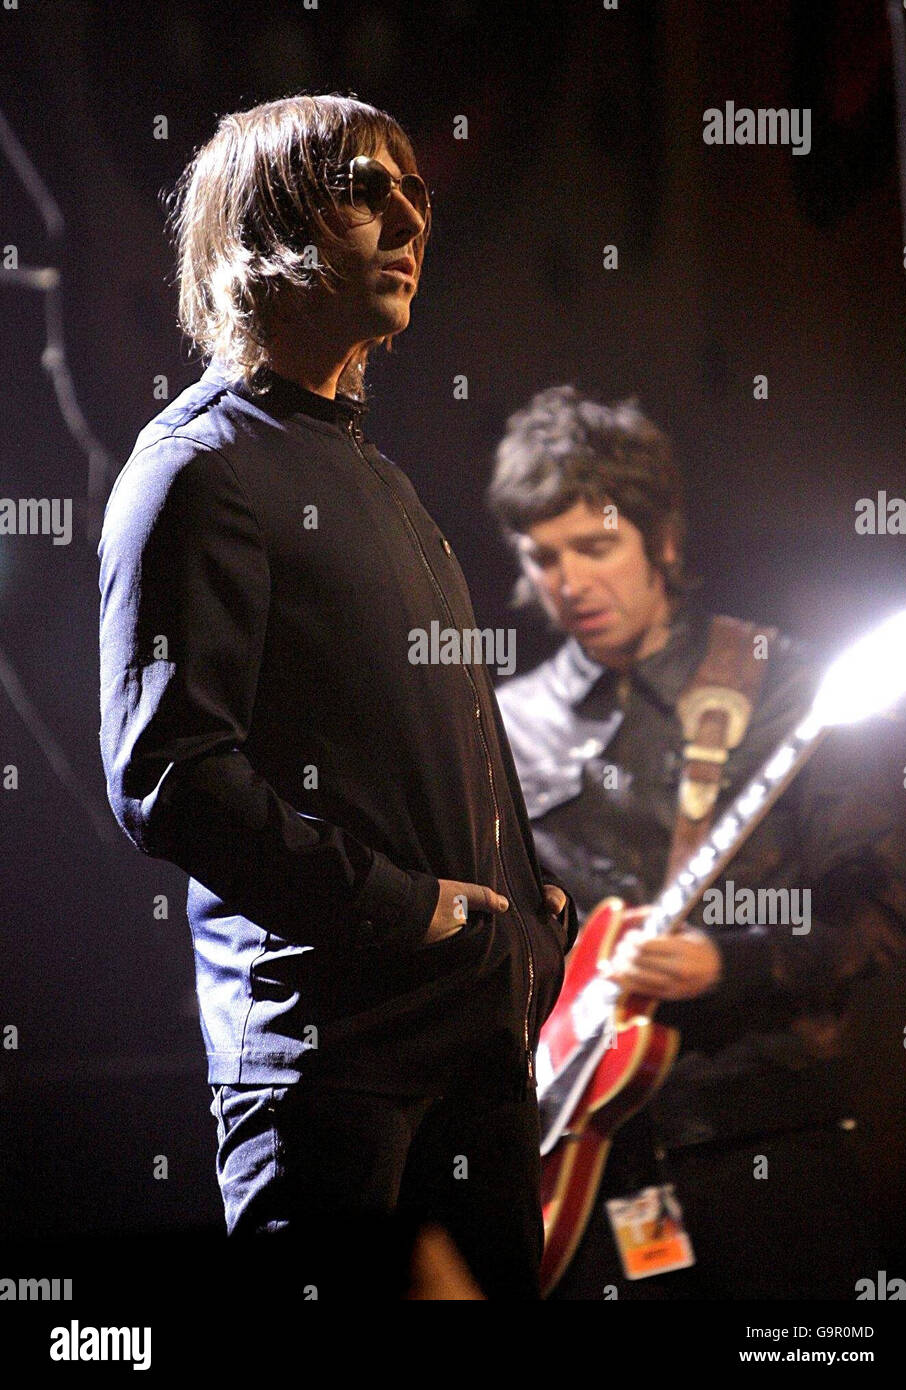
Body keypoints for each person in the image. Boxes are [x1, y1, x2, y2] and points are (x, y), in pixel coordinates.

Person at [97, 94, 575, 1301]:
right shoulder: (195, 469)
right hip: (330, 1066)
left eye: (419, 192)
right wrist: (411, 911)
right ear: (268, 227)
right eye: (369, 187)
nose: (413, 215)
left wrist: (528, 916)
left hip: (471, 1046)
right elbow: (170, 777)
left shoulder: (376, 476)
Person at [489, 385, 906, 1299]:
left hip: (765, 1142)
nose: (571, 583)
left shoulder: (779, 682)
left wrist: (727, 966)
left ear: (663, 541)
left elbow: (872, 917)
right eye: (544, 557)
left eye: (596, 548)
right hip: (593, 1156)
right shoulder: (506, 728)